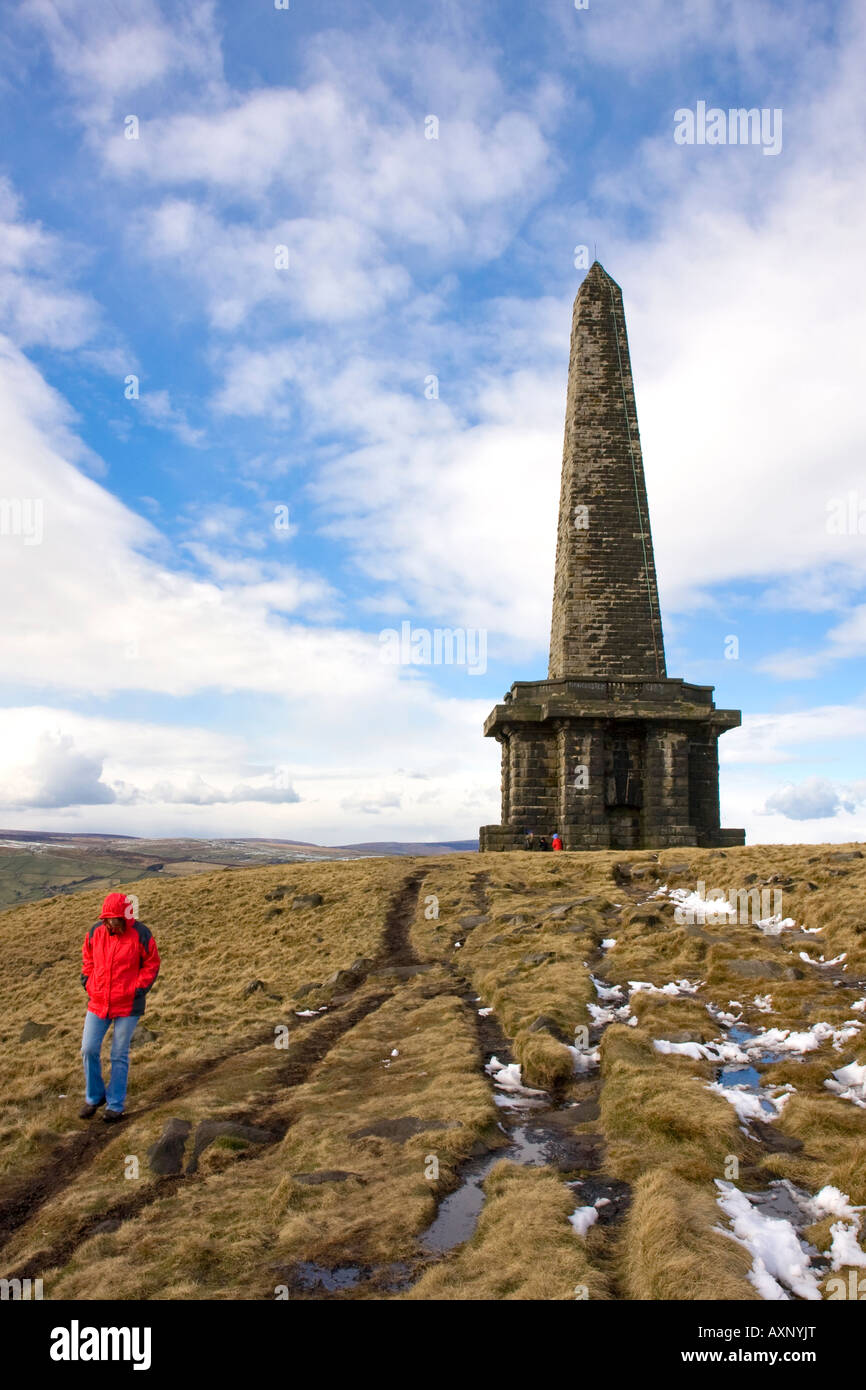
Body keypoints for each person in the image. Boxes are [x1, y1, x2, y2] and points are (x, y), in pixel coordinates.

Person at [79, 891, 161, 1123]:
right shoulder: (96, 932)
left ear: (124, 917)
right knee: (88, 1049)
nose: (108, 922)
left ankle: (115, 1105)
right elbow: (88, 958)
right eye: (106, 917)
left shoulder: (141, 934)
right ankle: (94, 1098)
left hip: (127, 1005)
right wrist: (88, 980)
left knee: (118, 1054)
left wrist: (137, 989)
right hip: (98, 1002)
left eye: (113, 918)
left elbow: (152, 964)